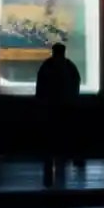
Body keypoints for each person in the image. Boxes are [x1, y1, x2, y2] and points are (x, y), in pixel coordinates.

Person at [35, 43, 81, 185]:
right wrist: (73, 98)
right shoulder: (69, 66)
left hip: (51, 105)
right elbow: (76, 82)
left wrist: (40, 100)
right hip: (66, 104)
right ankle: (64, 152)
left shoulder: (47, 65)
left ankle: (52, 153)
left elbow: (40, 84)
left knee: (52, 131)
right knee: (65, 130)